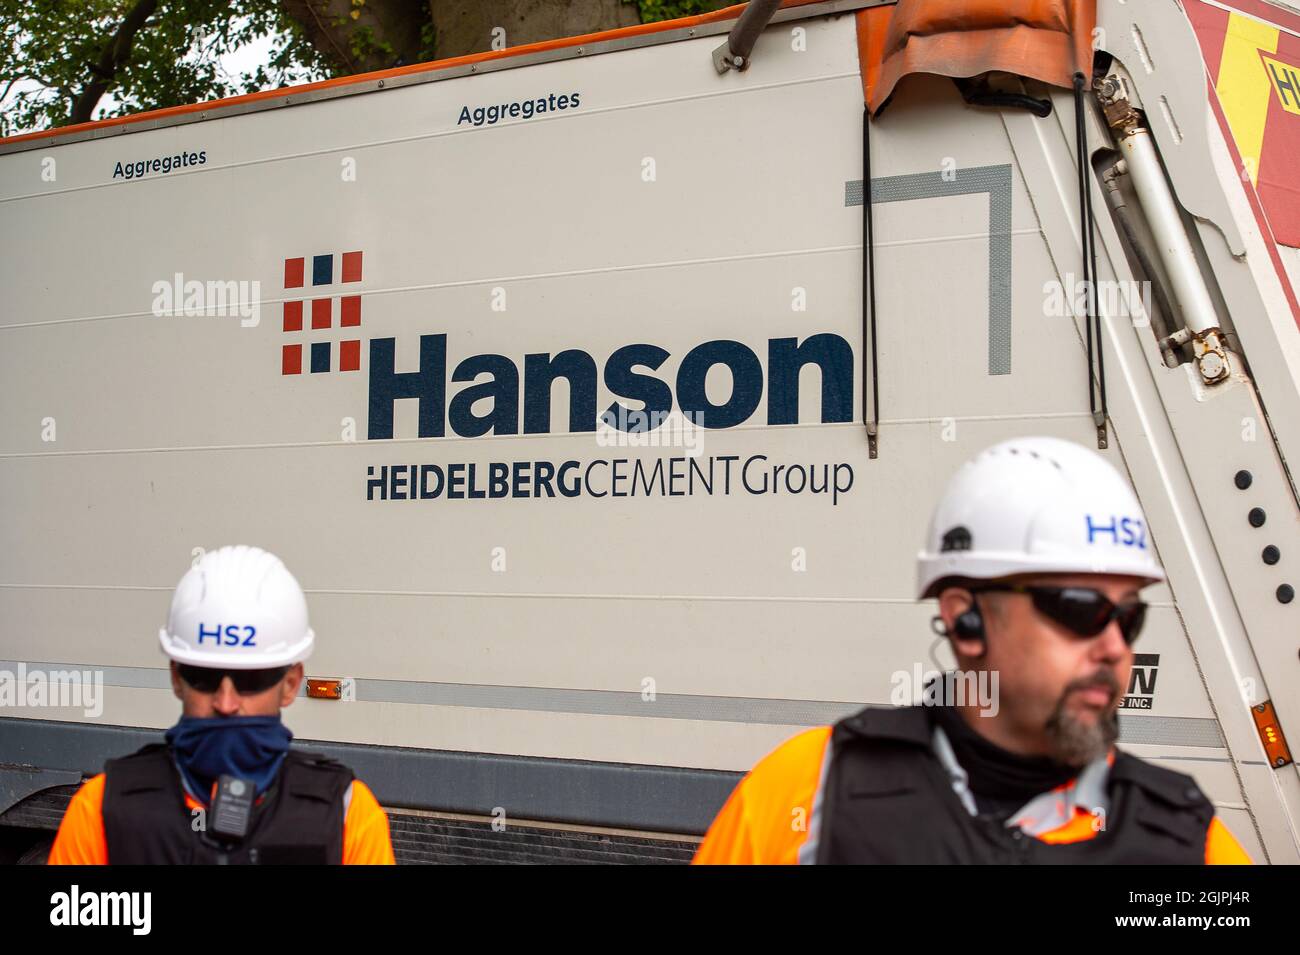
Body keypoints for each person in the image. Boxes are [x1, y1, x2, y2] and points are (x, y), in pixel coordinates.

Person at [693, 436, 1251, 864]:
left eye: (1130, 616)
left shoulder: (1185, 840)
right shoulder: (811, 790)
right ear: (965, 618)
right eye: (1079, 608)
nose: (1113, 647)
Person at [48, 545, 395, 865]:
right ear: (176, 677)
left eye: (250, 680)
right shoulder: (102, 810)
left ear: (289, 684)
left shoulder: (348, 816)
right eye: (205, 676)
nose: (226, 703)